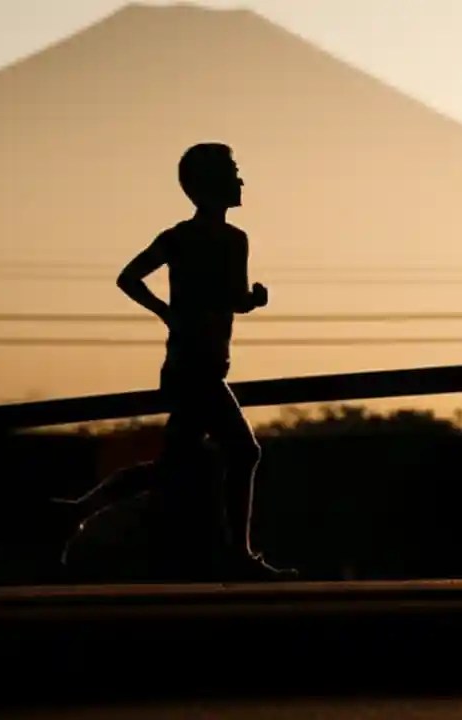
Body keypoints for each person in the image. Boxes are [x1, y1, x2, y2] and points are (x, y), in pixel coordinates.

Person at [116, 142, 295, 581]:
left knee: (174, 466)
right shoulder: (226, 240)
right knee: (243, 451)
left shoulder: (185, 238)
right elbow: (233, 298)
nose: (241, 180)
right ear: (208, 184)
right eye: (233, 171)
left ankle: (83, 511)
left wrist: (171, 313)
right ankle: (238, 555)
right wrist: (253, 300)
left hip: (192, 364)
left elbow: (131, 279)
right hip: (197, 368)